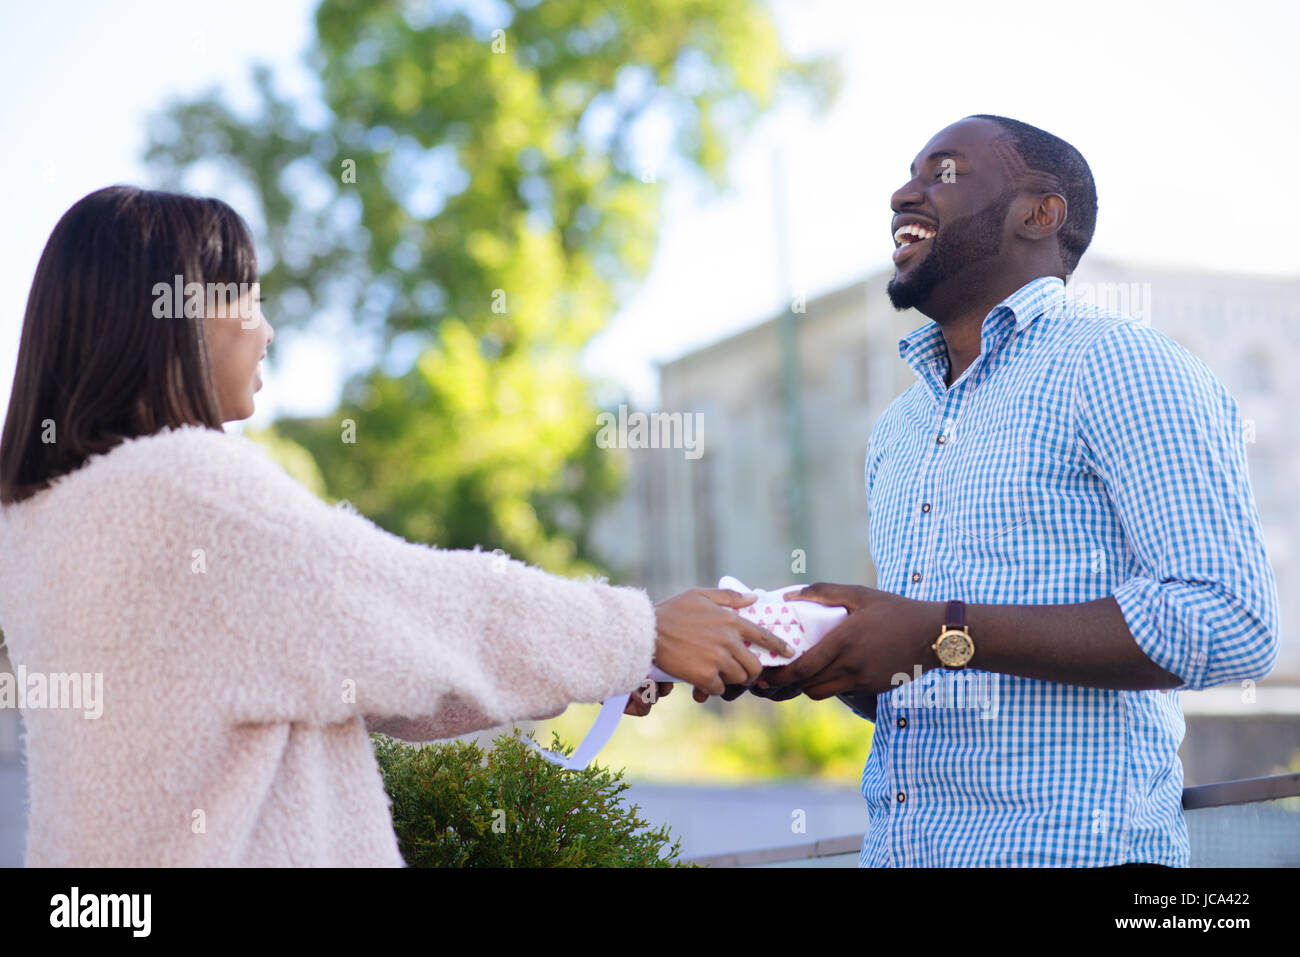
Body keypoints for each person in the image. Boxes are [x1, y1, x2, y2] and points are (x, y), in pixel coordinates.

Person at [0, 185, 794, 866]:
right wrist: (639, 631)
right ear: (171, 316)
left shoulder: (43, 517)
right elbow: (424, 604)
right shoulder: (188, 490)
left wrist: (609, 667)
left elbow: (387, 676)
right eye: (247, 297)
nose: (266, 328)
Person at [740, 115, 1279, 867]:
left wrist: (937, 631)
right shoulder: (901, 425)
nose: (904, 193)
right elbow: (938, 667)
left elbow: (1231, 620)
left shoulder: (1121, 364)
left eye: (944, 172)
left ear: (1039, 213)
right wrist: (838, 658)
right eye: (909, 174)